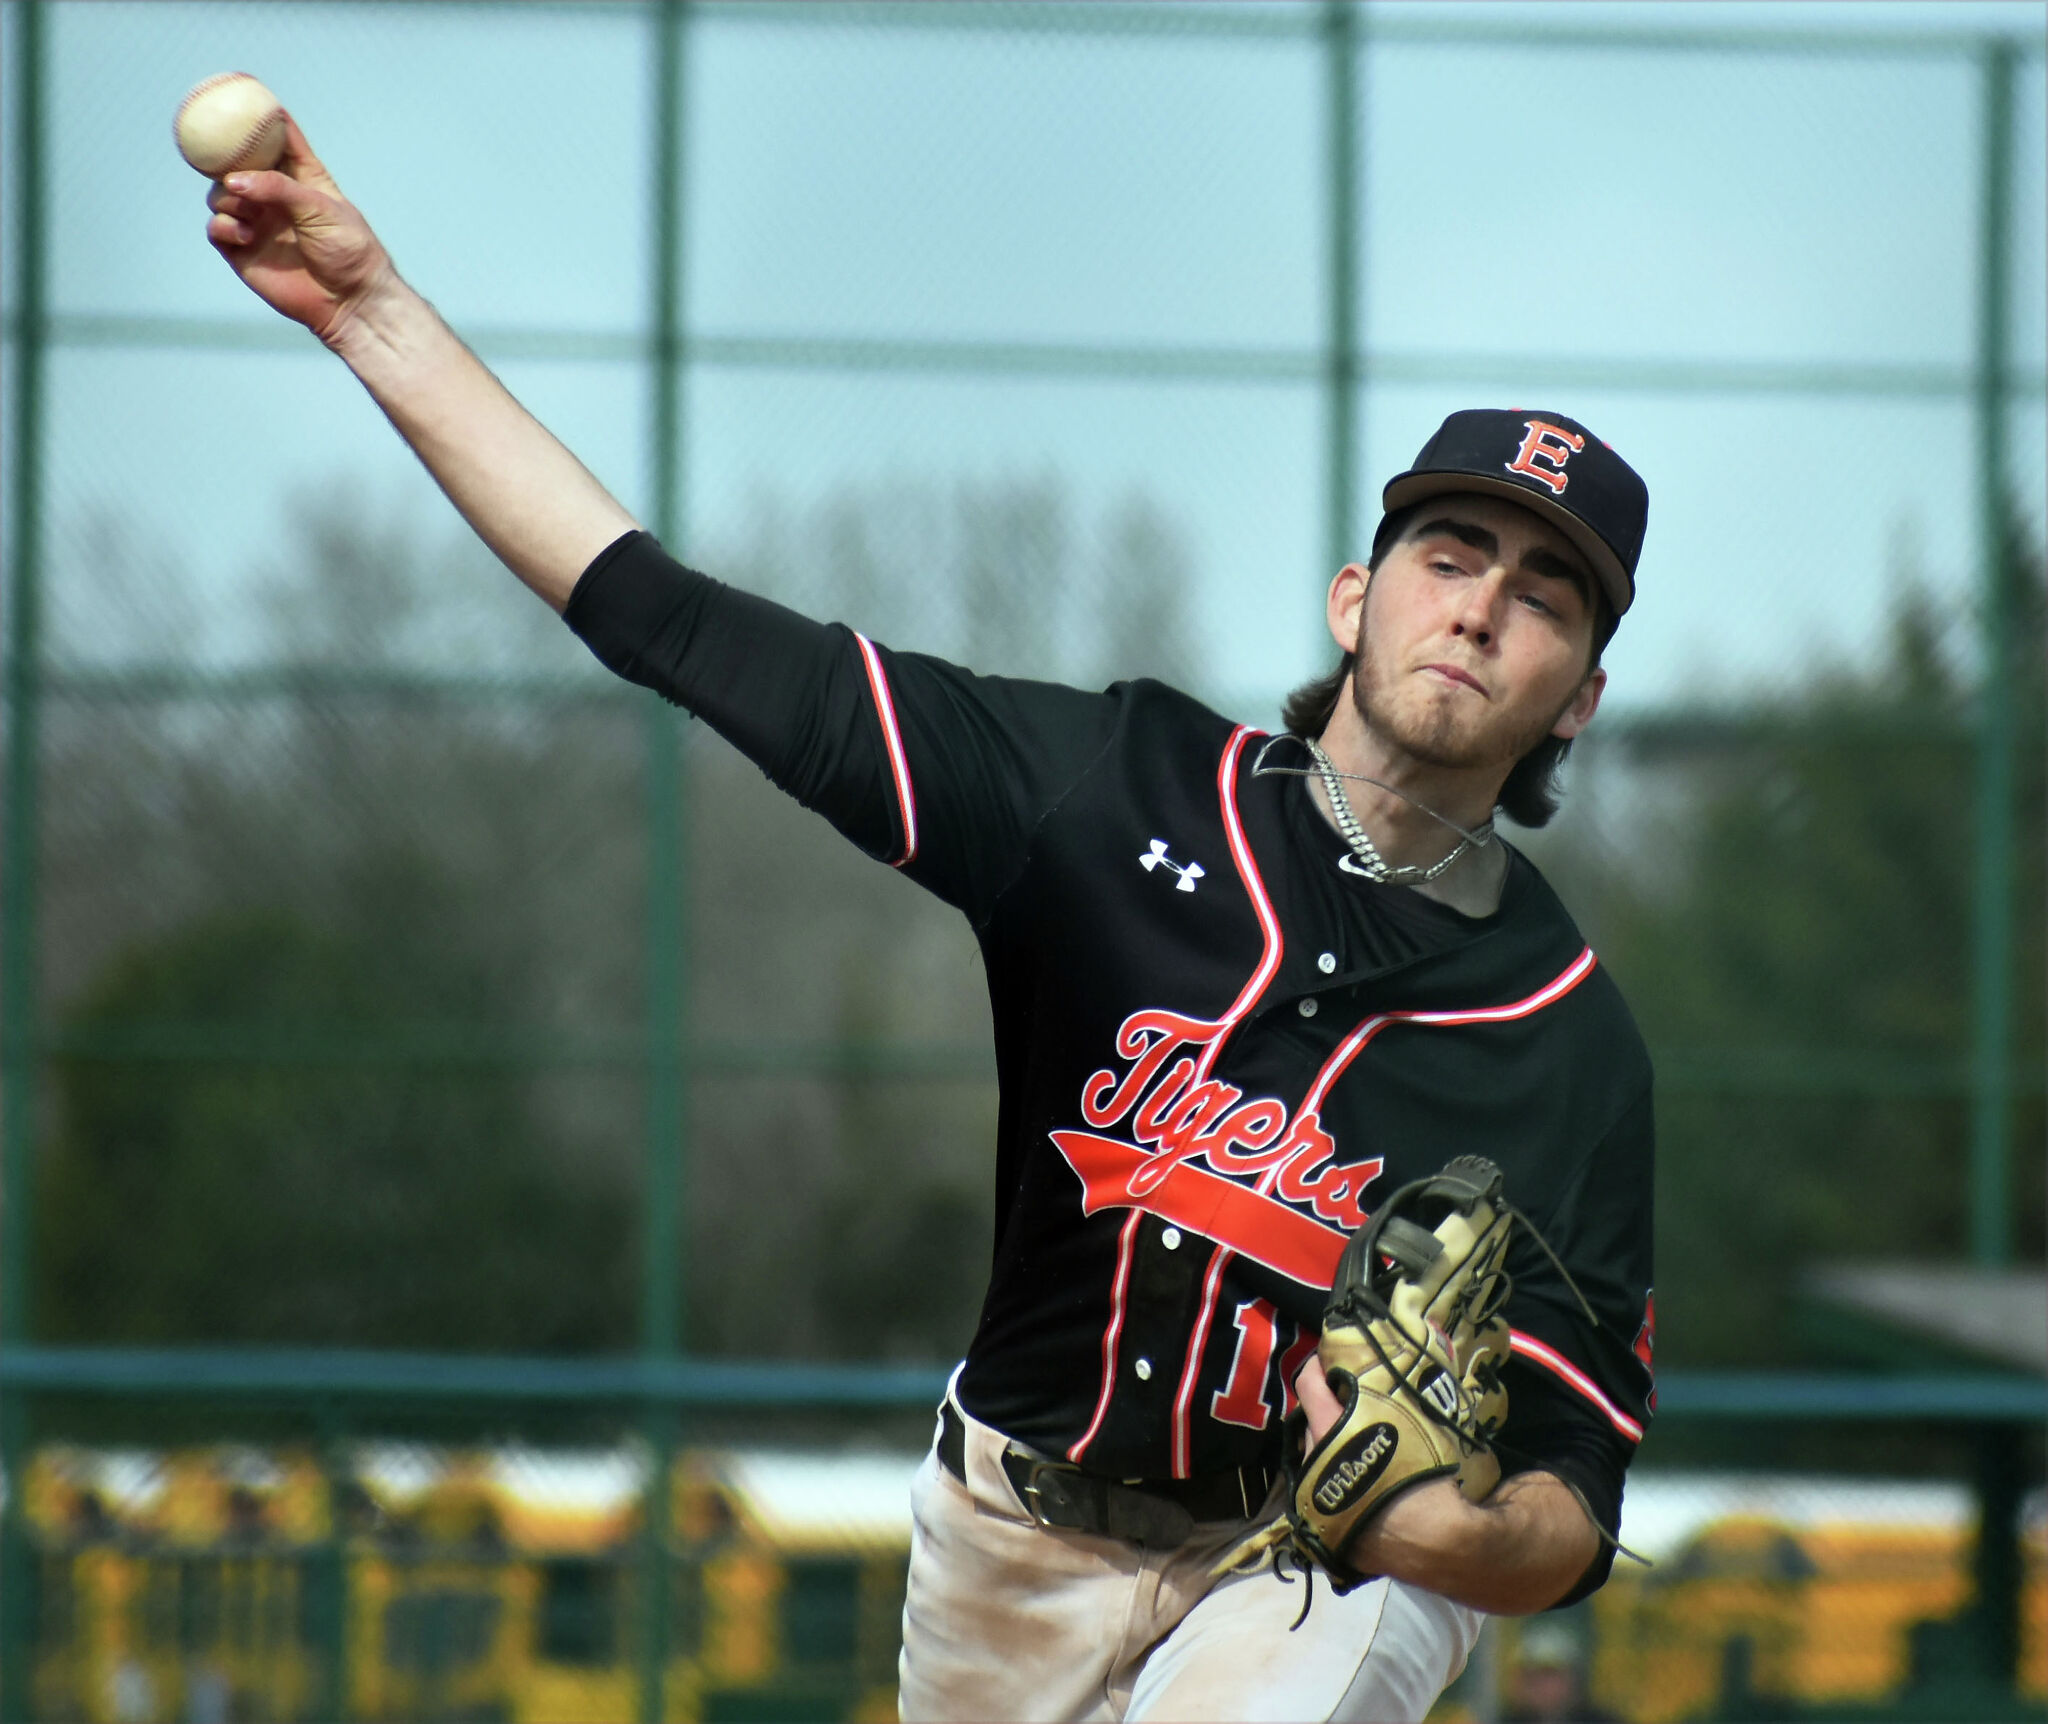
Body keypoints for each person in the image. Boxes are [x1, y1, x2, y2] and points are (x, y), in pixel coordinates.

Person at [202, 117, 1656, 1724]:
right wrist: (371, 313)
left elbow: (1574, 1501)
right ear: (1352, 595)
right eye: (1450, 553)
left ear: (1578, 694)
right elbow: (662, 617)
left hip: (1316, 1568)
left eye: (1543, 593)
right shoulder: (1103, 792)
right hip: (1007, 1539)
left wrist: (1461, 1527)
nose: (1480, 603)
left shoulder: (1567, 1041)